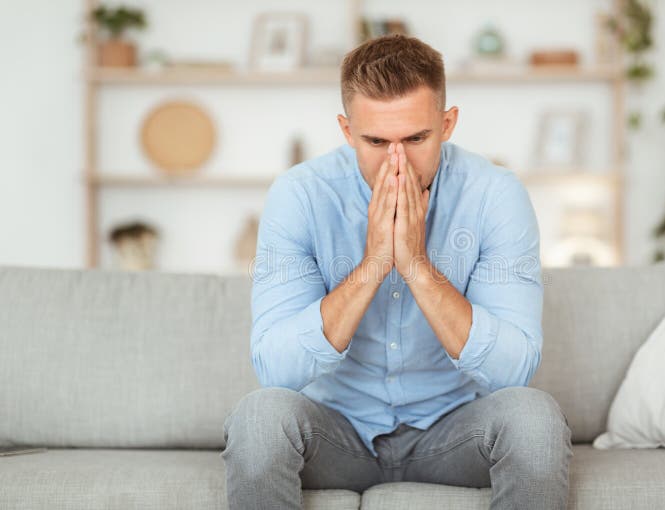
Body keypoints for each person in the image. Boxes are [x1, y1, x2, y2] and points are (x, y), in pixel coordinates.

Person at [221, 34, 572, 510]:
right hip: (338, 433)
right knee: (259, 417)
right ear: (347, 132)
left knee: (536, 417)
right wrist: (374, 264)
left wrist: (416, 265)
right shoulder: (300, 196)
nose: (397, 162)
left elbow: (513, 370)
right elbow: (276, 370)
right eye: (375, 141)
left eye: (415, 138)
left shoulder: (495, 195)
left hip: (452, 432)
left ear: (447, 124)